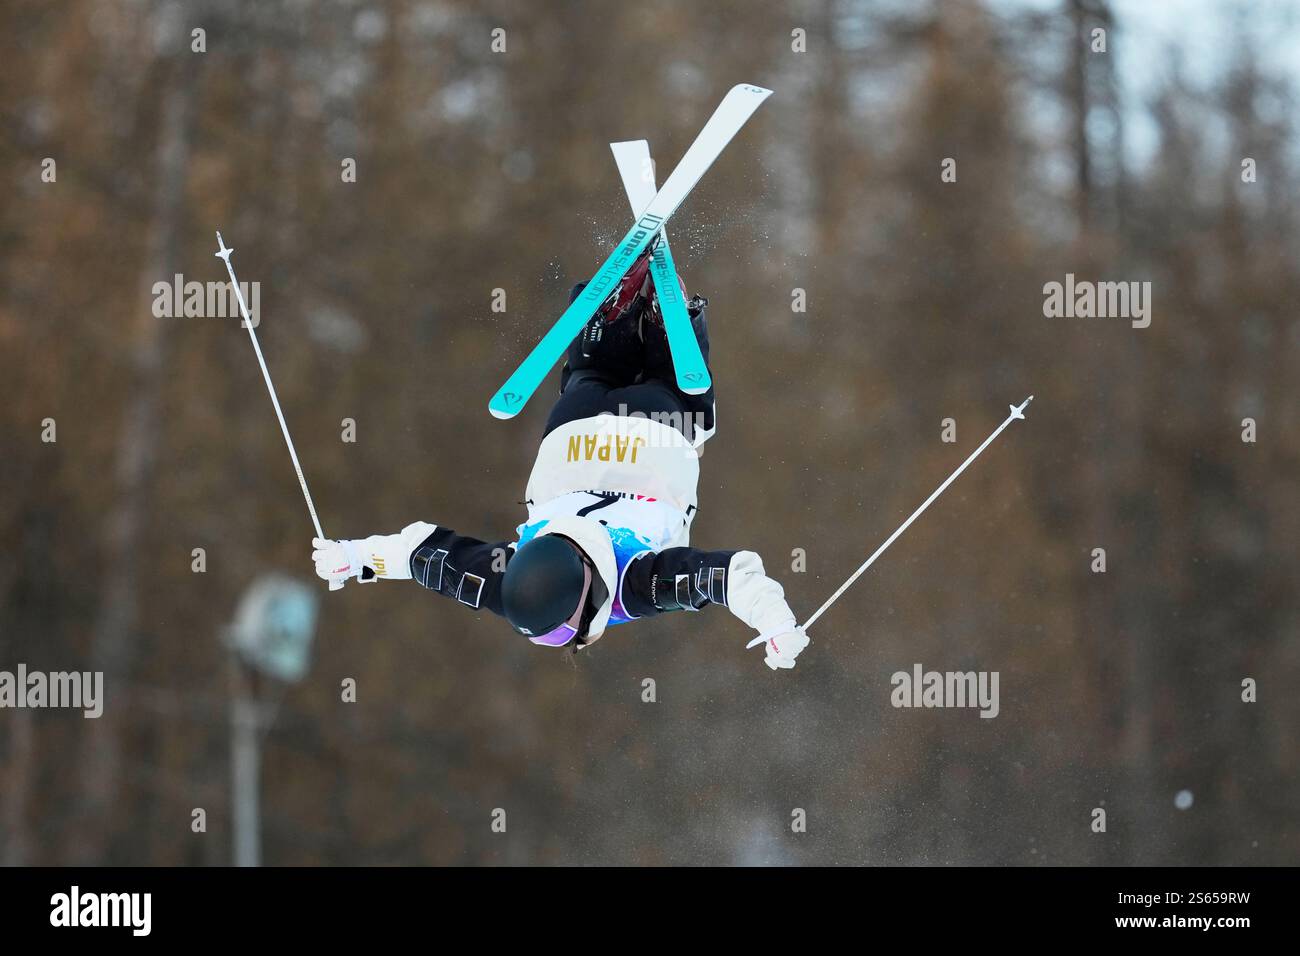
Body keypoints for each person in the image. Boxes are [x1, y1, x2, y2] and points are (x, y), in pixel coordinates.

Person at [311, 248, 810, 670]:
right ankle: (604, 328)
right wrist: (352, 558)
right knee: (588, 377)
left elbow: (725, 577)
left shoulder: (634, 585)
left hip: (655, 434)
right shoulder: (504, 575)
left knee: (689, 405)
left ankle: (669, 320)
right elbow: (425, 557)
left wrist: (776, 624)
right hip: (570, 432)